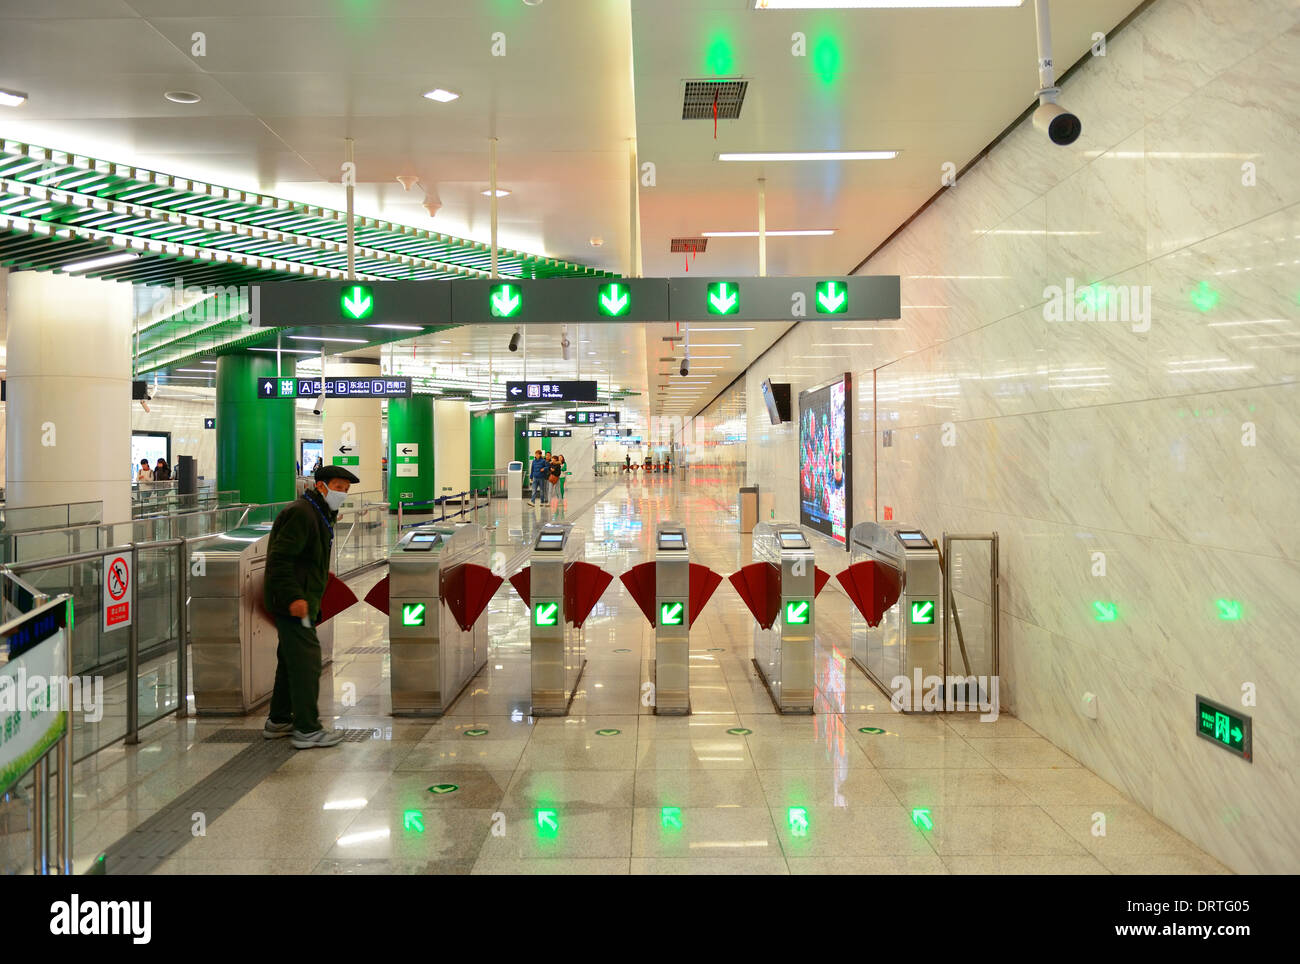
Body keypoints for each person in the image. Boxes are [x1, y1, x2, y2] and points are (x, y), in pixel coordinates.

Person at [262, 464, 360, 748]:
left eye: (346, 490)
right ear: (321, 486)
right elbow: (280, 560)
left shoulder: (318, 513)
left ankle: (279, 719)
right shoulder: (301, 514)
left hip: (302, 599)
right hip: (293, 602)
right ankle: (307, 729)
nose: (343, 494)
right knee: (307, 661)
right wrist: (295, 597)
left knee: (290, 659)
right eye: (339, 488)